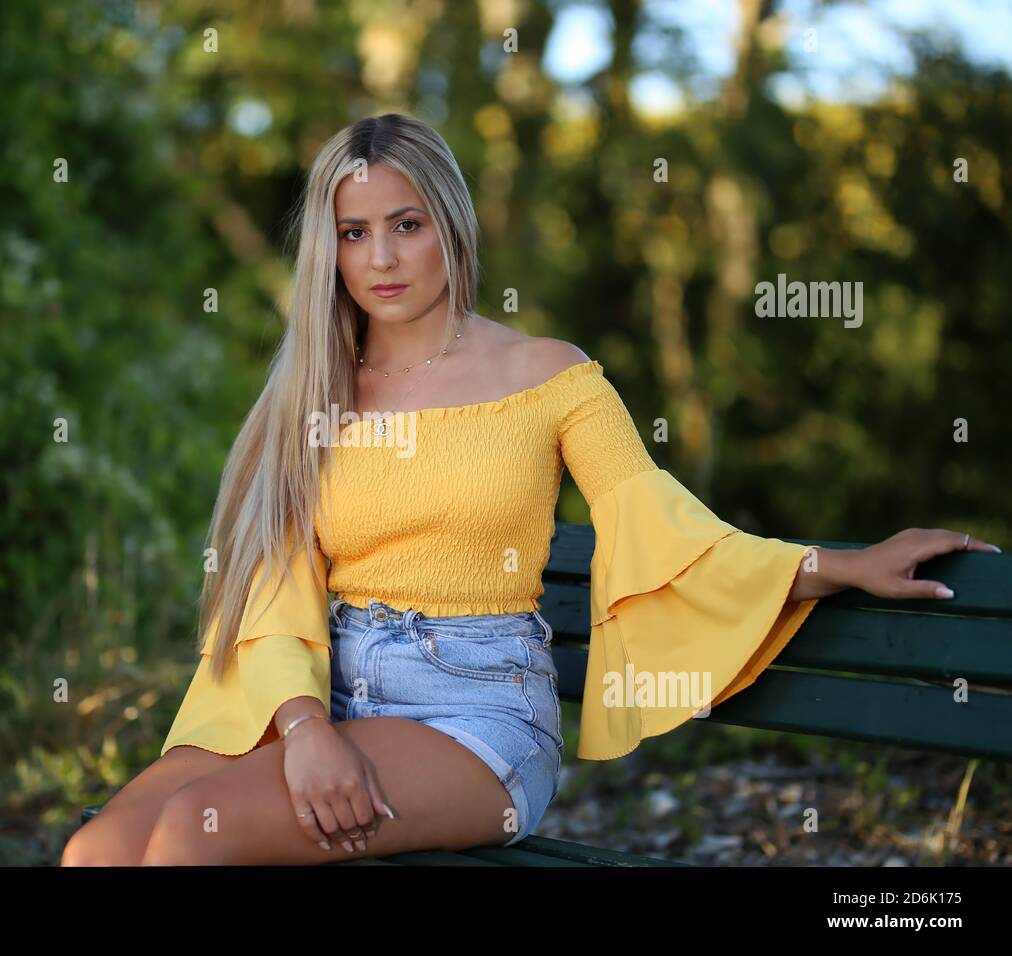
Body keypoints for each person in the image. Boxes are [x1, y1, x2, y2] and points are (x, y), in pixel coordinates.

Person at [61, 113, 998, 867]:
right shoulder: (314, 393)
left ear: (451, 226)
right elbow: (273, 583)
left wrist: (838, 564)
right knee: (97, 850)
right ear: (329, 251)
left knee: (189, 839)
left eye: (406, 224)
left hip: (474, 706)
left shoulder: (548, 375)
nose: (382, 258)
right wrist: (303, 726)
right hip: (314, 691)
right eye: (355, 233)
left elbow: (656, 520)